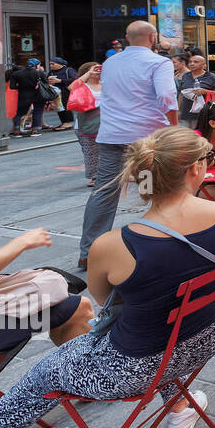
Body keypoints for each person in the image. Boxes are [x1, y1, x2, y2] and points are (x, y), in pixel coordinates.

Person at [0, 128, 215, 428]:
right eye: (207, 159)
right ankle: (180, 406)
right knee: (158, 322)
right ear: (195, 169)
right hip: (205, 341)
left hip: (134, 369)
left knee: (41, 373)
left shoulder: (113, 245)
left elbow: (105, 301)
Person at [78, 21, 179, 271]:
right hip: (148, 137)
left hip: (113, 135)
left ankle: (89, 251)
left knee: (105, 190)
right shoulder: (159, 62)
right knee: (158, 186)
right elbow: (167, 96)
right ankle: (158, 240)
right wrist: (175, 126)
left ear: (126, 38)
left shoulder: (111, 62)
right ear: (152, 37)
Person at [0, 221, 93, 379]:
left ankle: (83, 379)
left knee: (68, 302)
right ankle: (90, 380)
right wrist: (21, 243)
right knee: (76, 307)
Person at [68, 62, 103, 186]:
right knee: (91, 152)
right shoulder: (83, 86)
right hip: (86, 124)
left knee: (111, 151)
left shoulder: (106, 85)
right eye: (95, 69)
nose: (98, 71)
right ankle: (95, 177)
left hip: (106, 124)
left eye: (100, 68)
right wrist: (89, 73)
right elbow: (72, 87)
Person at [177, 53, 215, 128]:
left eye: (196, 62)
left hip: (203, 114)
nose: (192, 64)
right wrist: (178, 110)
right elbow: (181, 94)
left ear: (204, 65)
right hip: (186, 113)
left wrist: (205, 91)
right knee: (186, 137)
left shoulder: (211, 76)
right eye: (190, 62)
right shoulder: (186, 75)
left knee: (201, 136)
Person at [8, 58, 48, 137]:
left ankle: (16, 130)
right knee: (38, 112)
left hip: (23, 95)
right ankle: (35, 130)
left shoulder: (16, 74)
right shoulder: (40, 73)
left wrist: (21, 88)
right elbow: (46, 84)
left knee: (19, 113)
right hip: (38, 95)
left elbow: (12, 86)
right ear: (37, 65)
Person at [45, 57, 77, 132]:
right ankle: (63, 122)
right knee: (58, 107)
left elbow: (74, 79)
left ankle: (67, 123)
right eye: (50, 64)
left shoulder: (68, 70)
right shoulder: (51, 72)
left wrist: (60, 81)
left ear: (60, 64)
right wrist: (49, 81)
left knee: (65, 106)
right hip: (55, 92)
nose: (51, 66)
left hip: (65, 91)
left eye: (53, 64)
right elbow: (46, 79)